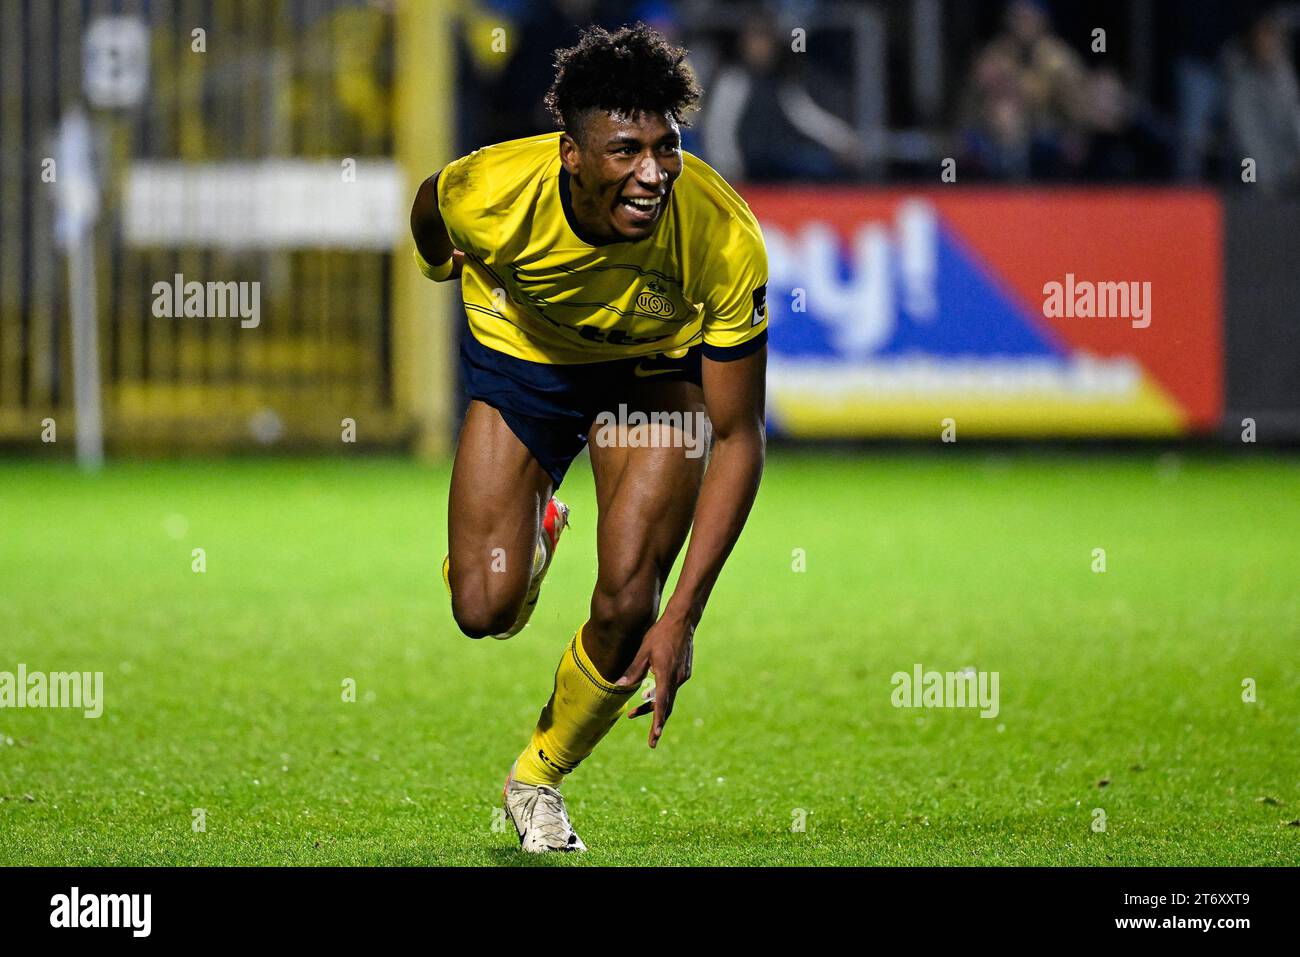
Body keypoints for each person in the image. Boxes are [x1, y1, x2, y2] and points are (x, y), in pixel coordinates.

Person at [409, 22, 769, 852]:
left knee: (629, 597)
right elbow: (431, 205)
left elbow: (739, 436)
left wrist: (685, 615)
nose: (652, 174)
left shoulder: (721, 234)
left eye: (665, 147)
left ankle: (537, 777)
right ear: (571, 153)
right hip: (527, 360)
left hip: (650, 373)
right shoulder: (491, 188)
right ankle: (537, 533)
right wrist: (441, 268)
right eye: (625, 151)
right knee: (482, 607)